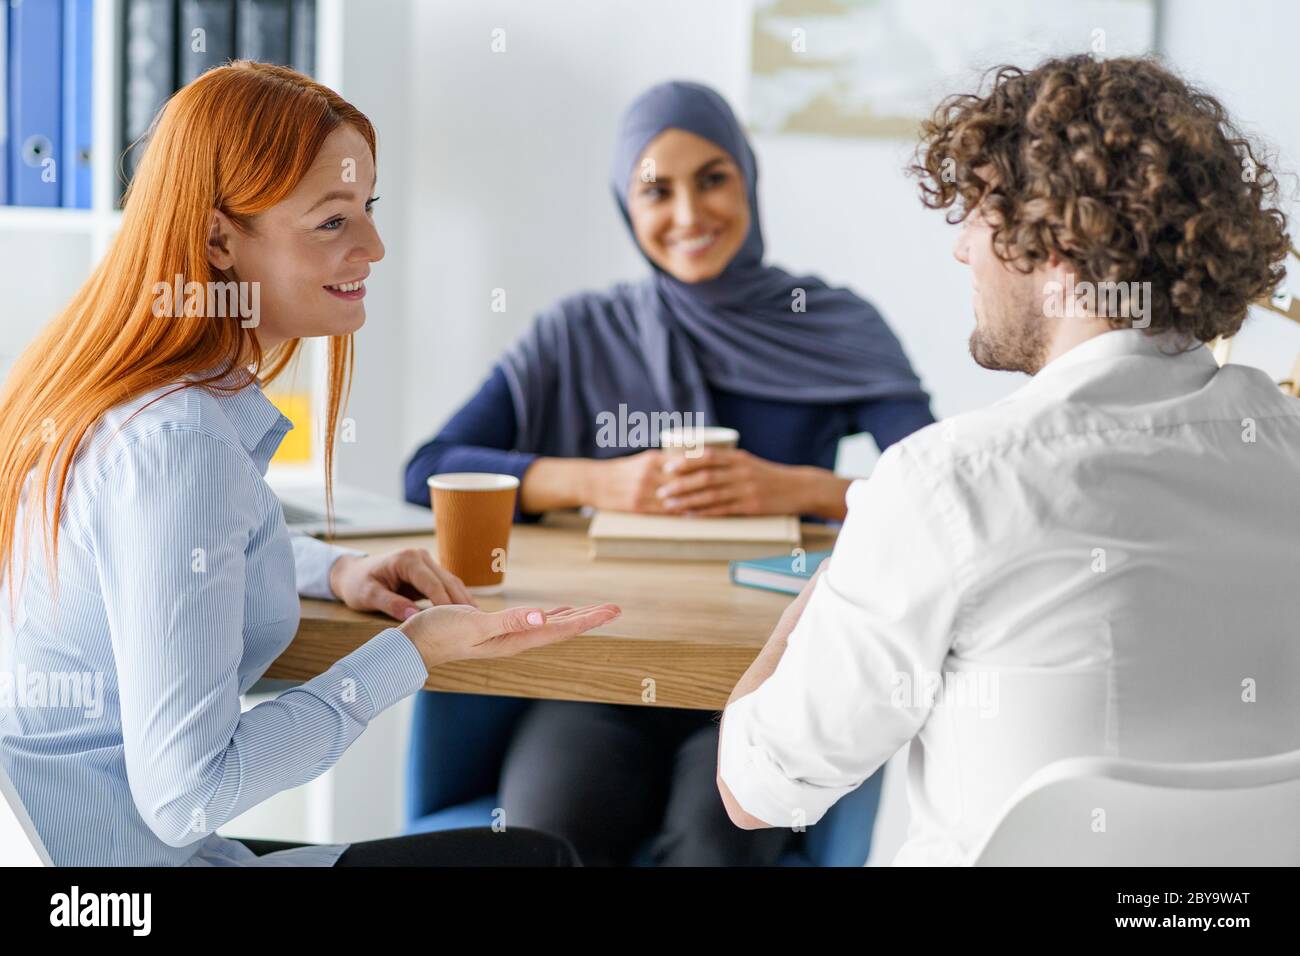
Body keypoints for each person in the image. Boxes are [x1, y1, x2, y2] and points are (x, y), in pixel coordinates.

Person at [0, 61, 618, 867]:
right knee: (537, 861)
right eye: (332, 223)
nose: (375, 246)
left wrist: (338, 572)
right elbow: (191, 795)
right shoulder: (181, 445)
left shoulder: (125, 397)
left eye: (368, 209)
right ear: (220, 239)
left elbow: (166, 560)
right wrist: (414, 650)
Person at [716, 54, 1300, 865]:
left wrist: (832, 586)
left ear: (1059, 244)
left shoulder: (948, 485)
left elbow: (758, 789)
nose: (962, 250)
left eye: (980, 213)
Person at [404, 81, 933, 865]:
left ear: (748, 180)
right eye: (657, 190)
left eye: (713, 178)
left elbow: (931, 491)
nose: (689, 215)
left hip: (766, 681)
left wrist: (797, 488)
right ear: (627, 204)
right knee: (551, 842)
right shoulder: (581, 332)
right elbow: (432, 469)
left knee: (712, 852)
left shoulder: (830, 322)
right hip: (600, 670)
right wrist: (598, 482)